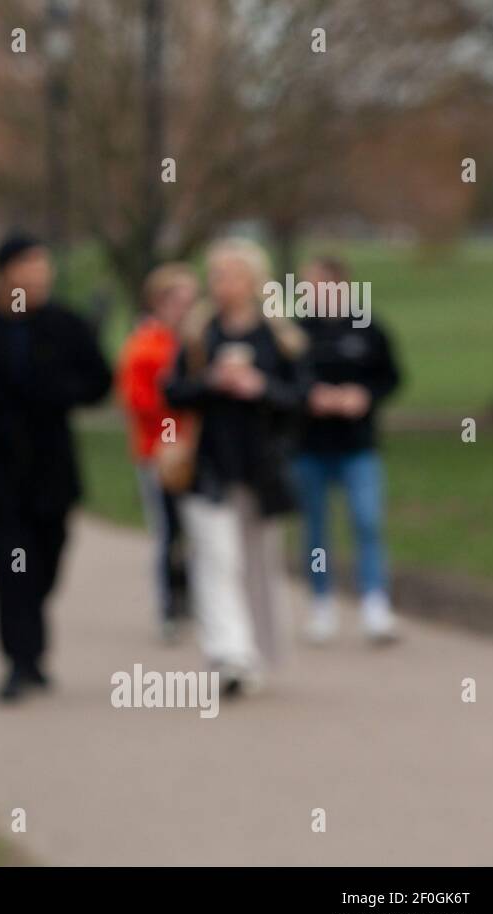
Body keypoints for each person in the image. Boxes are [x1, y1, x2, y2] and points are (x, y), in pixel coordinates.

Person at [0, 233, 113, 702]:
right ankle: (19, 659)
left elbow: (98, 381)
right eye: (31, 269)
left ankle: (31, 638)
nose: (40, 279)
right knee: (9, 565)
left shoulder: (65, 326)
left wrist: (58, 391)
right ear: (6, 274)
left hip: (52, 465)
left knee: (48, 558)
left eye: (44, 270)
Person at [164, 238, 308, 694]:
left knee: (258, 563)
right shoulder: (197, 334)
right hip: (209, 465)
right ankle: (229, 654)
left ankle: (258, 650)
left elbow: (300, 398)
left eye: (229, 274)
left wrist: (258, 387)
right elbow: (172, 391)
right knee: (217, 558)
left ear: (251, 280)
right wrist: (212, 382)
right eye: (215, 274)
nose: (220, 283)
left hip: (261, 468)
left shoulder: (279, 337)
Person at [293, 255, 402, 642]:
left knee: (367, 521)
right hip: (309, 446)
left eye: (317, 283)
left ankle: (375, 604)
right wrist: (311, 396)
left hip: (358, 446)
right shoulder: (296, 331)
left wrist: (364, 396)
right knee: (316, 529)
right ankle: (321, 605)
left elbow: (390, 377)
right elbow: (285, 381)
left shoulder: (368, 327)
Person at [116, 263, 198, 641]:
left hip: (198, 448)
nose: (187, 308)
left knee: (198, 530)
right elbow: (141, 401)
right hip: (159, 450)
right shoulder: (146, 345)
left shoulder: (197, 340)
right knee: (168, 530)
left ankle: (195, 601)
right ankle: (169, 606)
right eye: (179, 300)